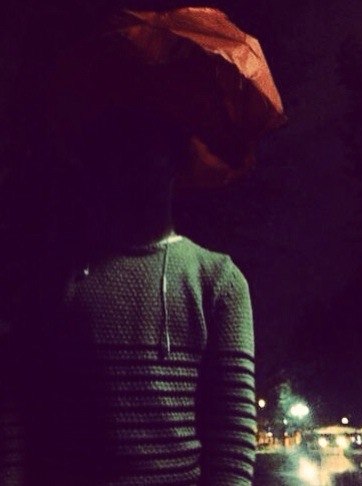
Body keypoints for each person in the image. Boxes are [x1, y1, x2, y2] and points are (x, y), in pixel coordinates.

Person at [0, 50, 256, 486]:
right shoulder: (58, 275)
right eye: (124, 149)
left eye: (152, 150)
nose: (136, 165)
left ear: (177, 162)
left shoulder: (218, 280)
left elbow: (231, 437)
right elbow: (17, 407)